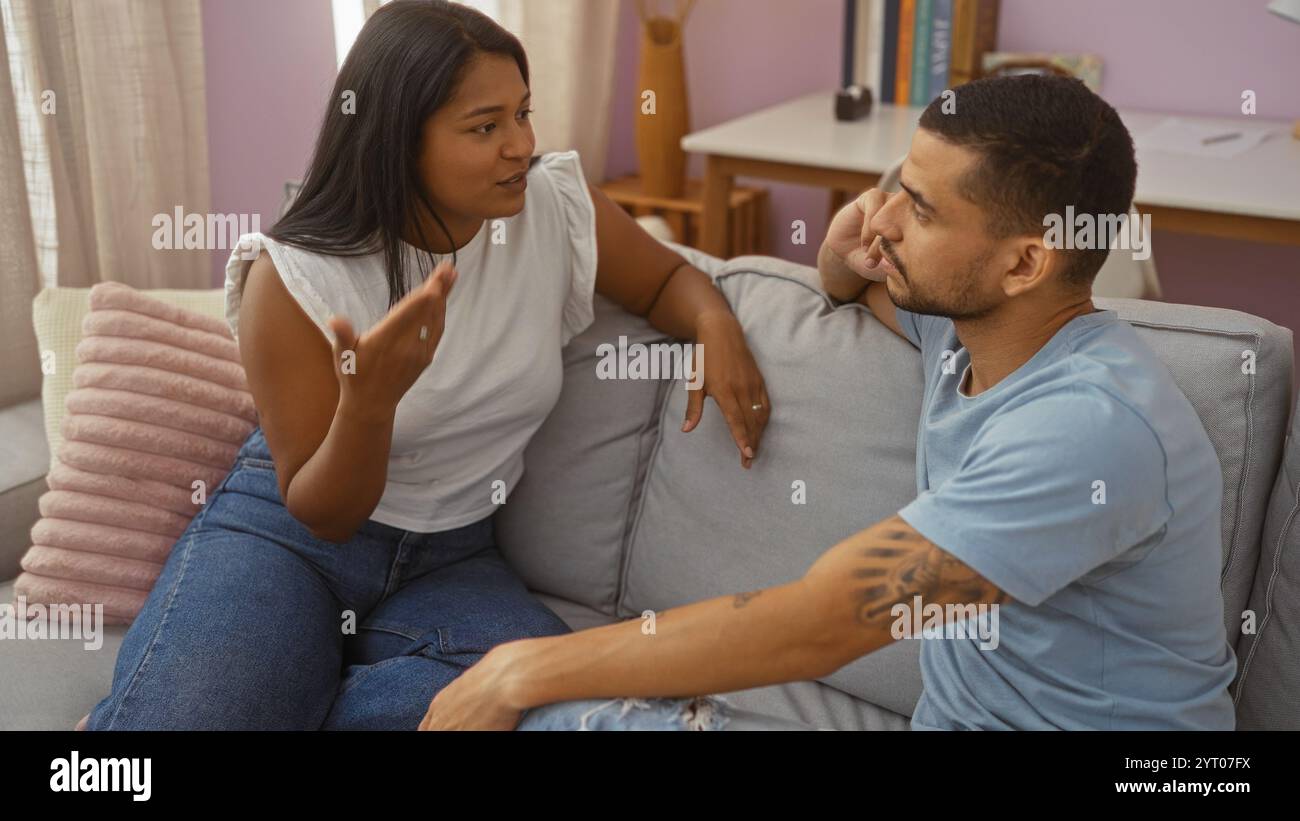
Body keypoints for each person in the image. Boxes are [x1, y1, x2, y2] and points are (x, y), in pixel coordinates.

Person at [420, 73, 1238, 732]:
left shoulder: (1088, 432)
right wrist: (851, 261)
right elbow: (864, 288)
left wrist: (521, 666)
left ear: (1025, 264)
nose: (883, 216)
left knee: (541, 705)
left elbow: (819, 622)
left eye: (918, 208)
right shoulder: (977, 332)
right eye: (896, 188)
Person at [84, 0, 770, 731]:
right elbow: (324, 510)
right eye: (485, 126)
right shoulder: (294, 278)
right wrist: (368, 407)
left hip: (456, 557)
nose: (520, 144)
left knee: (547, 697)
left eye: (522, 113)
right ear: (398, 140)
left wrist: (713, 320)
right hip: (289, 542)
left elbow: (664, 280)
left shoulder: (556, 209)